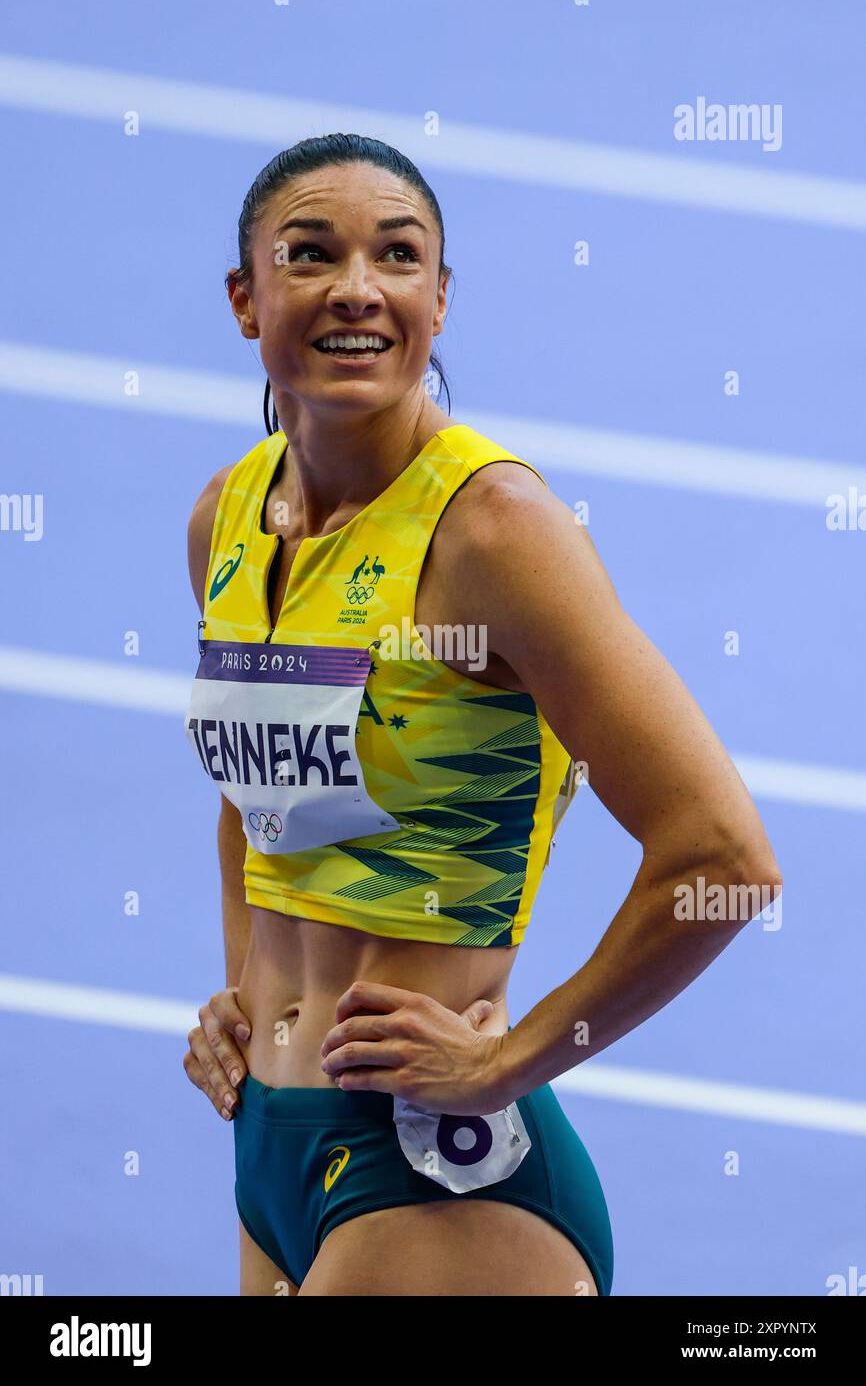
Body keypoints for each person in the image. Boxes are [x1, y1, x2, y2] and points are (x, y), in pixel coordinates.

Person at [182, 134, 782, 1297]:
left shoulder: (493, 532)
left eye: (395, 256)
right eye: (311, 254)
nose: (357, 286)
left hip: (431, 1181)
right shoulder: (228, 518)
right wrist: (246, 1000)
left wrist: (512, 1055)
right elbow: (251, 809)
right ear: (245, 298)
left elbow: (722, 857)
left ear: (438, 299)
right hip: (272, 1146)